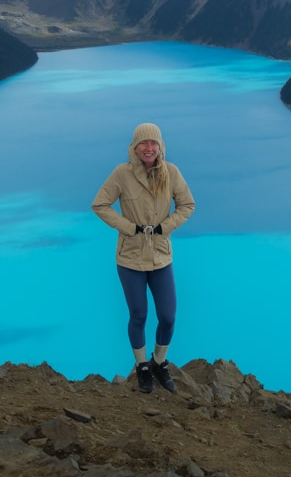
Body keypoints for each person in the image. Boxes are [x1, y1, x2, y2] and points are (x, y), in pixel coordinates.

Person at [91, 122, 195, 394]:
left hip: (160, 255)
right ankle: (142, 367)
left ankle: (159, 362)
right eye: (143, 143)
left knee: (168, 316)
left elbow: (187, 205)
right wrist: (128, 227)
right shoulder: (122, 174)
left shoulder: (171, 173)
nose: (149, 148)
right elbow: (99, 204)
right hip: (130, 257)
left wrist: (166, 226)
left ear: (160, 147)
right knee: (139, 314)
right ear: (134, 148)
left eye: (153, 143)